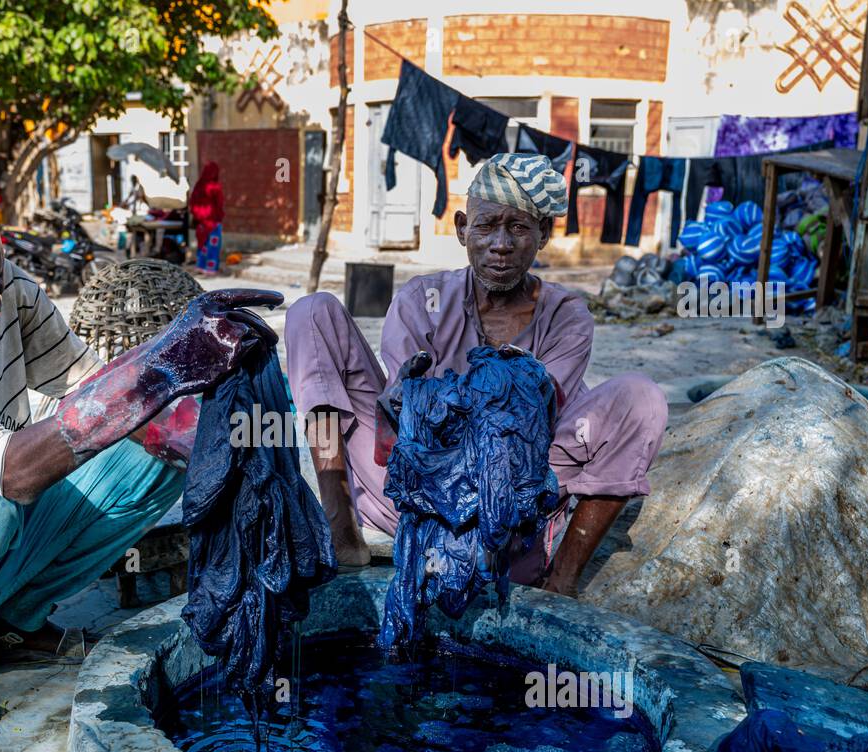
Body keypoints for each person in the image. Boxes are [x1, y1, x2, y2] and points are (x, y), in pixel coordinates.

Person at [0, 170, 265, 732]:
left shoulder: (11, 295)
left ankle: (9, 618)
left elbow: (90, 389)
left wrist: (208, 420)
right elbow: (10, 472)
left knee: (157, 455)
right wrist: (162, 364)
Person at [284, 153, 668, 595]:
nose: (500, 244)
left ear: (543, 233)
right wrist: (418, 404)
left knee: (642, 396)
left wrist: (456, 402)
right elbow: (405, 422)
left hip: (509, 506)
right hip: (411, 499)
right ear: (463, 227)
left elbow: (531, 416)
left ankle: (559, 582)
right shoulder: (421, 299)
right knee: (312, 312)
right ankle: (341, 530)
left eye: (518, 228)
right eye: (486, 226)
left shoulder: (567, 315)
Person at [189, 161, 225, 274]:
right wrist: (219, 215)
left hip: (201, 222)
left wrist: (199, 215)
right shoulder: (215, 187)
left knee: (202, 244)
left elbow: (192, 203)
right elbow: (219, 204)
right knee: (213, 245)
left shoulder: (198, 186)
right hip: (213, 221)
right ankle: (211, 269)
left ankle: (200, 266)